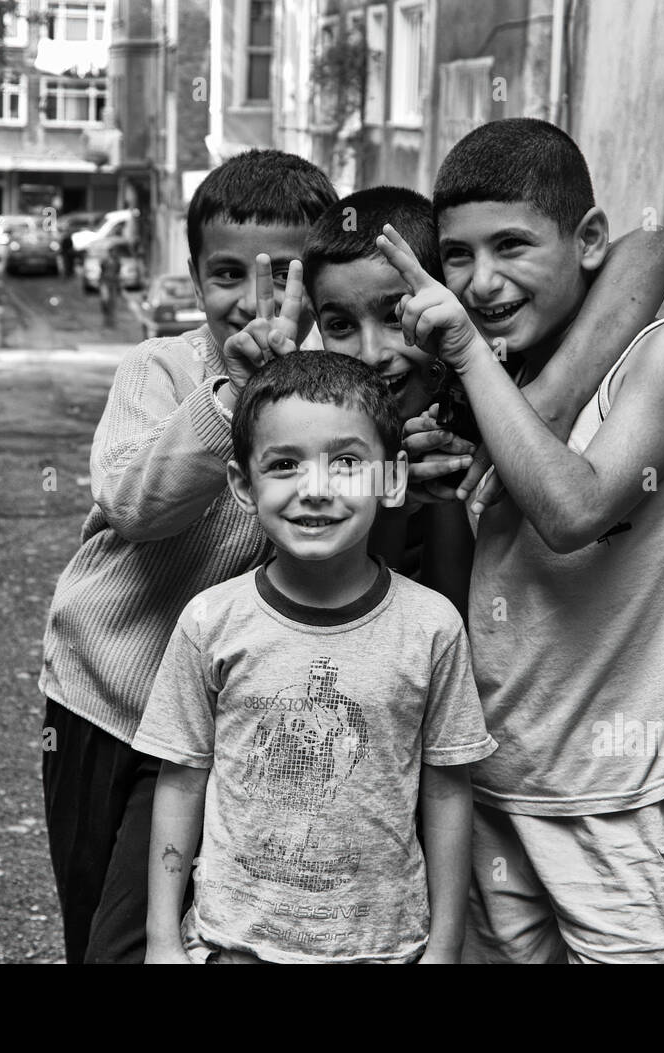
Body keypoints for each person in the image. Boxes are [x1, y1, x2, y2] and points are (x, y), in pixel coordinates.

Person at [380, 117, 664, 964]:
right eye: (459, 256)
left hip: (624, 807)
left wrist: (467, 353)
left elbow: (574, 510)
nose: (482, 282)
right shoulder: (500, 383)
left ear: (588, 239)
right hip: (495, 789)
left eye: (513, 246)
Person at [38, 149, 338, 964]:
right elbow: (136, 504)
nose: (252, 303)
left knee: (144, 938)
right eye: (226, 274)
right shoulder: (160, 369)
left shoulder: (340, 402)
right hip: (103, 699)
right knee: (91, 919)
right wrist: (236, 394)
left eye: (282, 277)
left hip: (216, 725)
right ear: (195, 276)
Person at [135, 351, 495, 963]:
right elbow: (181, 778)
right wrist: (162, 939)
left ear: (392, 481)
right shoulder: (210, 622)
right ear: (243, 486)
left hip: (380, 950)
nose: (316, 488)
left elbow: (447, 790)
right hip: (235, 945)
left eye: (348, 463)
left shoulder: (432, 627)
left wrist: (445, 946)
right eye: (283, 465)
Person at [300, 184, 664, 612]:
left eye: (396, 317)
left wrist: (548, 397)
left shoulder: (495, 366)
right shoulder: (325, 420)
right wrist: (395, 498)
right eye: (340, 327)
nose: (371, 354)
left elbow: (656, 244)